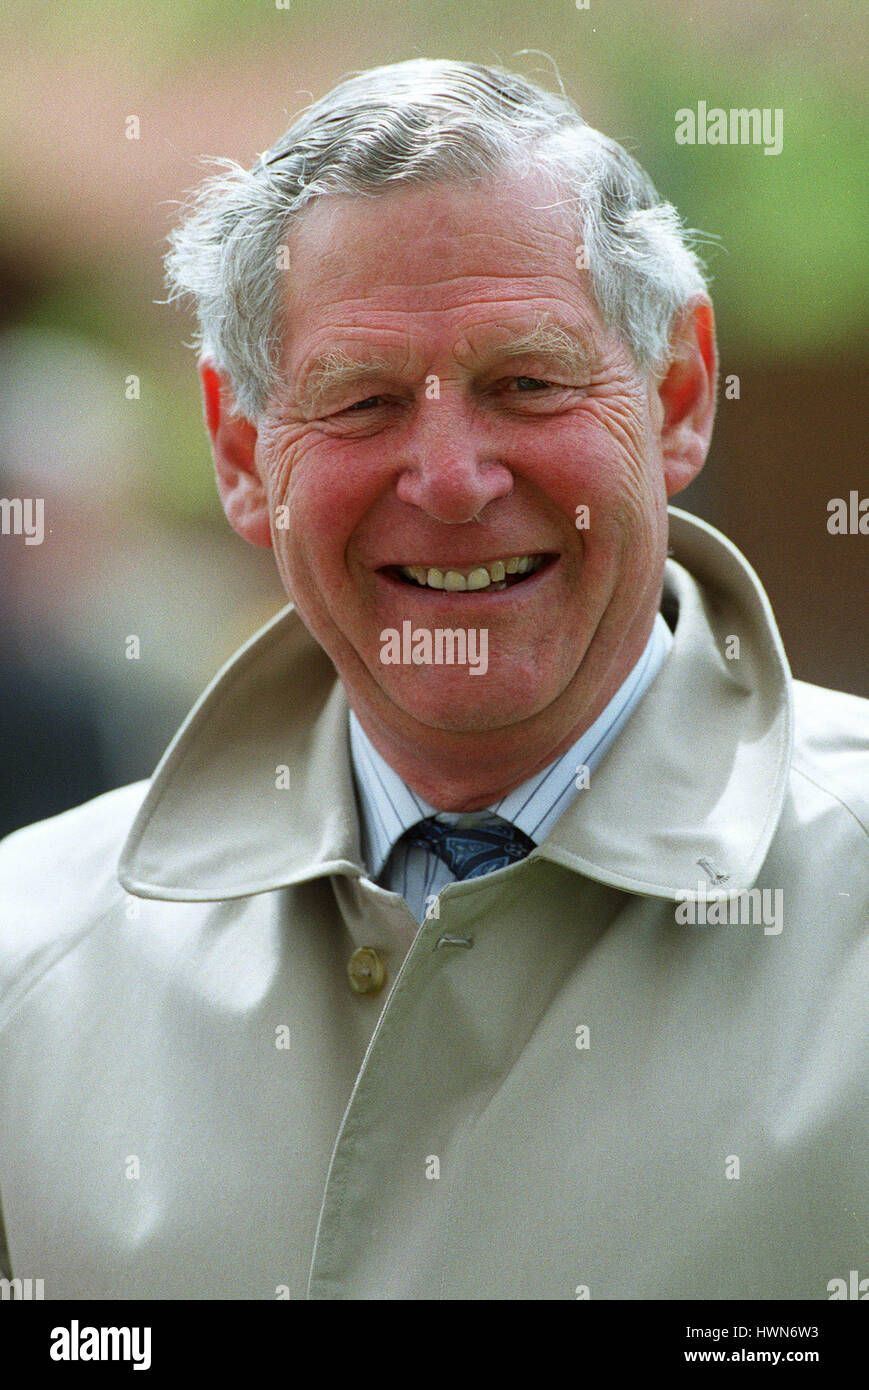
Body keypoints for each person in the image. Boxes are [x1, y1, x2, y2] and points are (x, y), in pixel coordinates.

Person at [0, 59, 866, 1302]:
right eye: (358, 402)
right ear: (243, 456)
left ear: (675, 396)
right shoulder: (30, 965)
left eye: (525, 381)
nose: (450, 479)